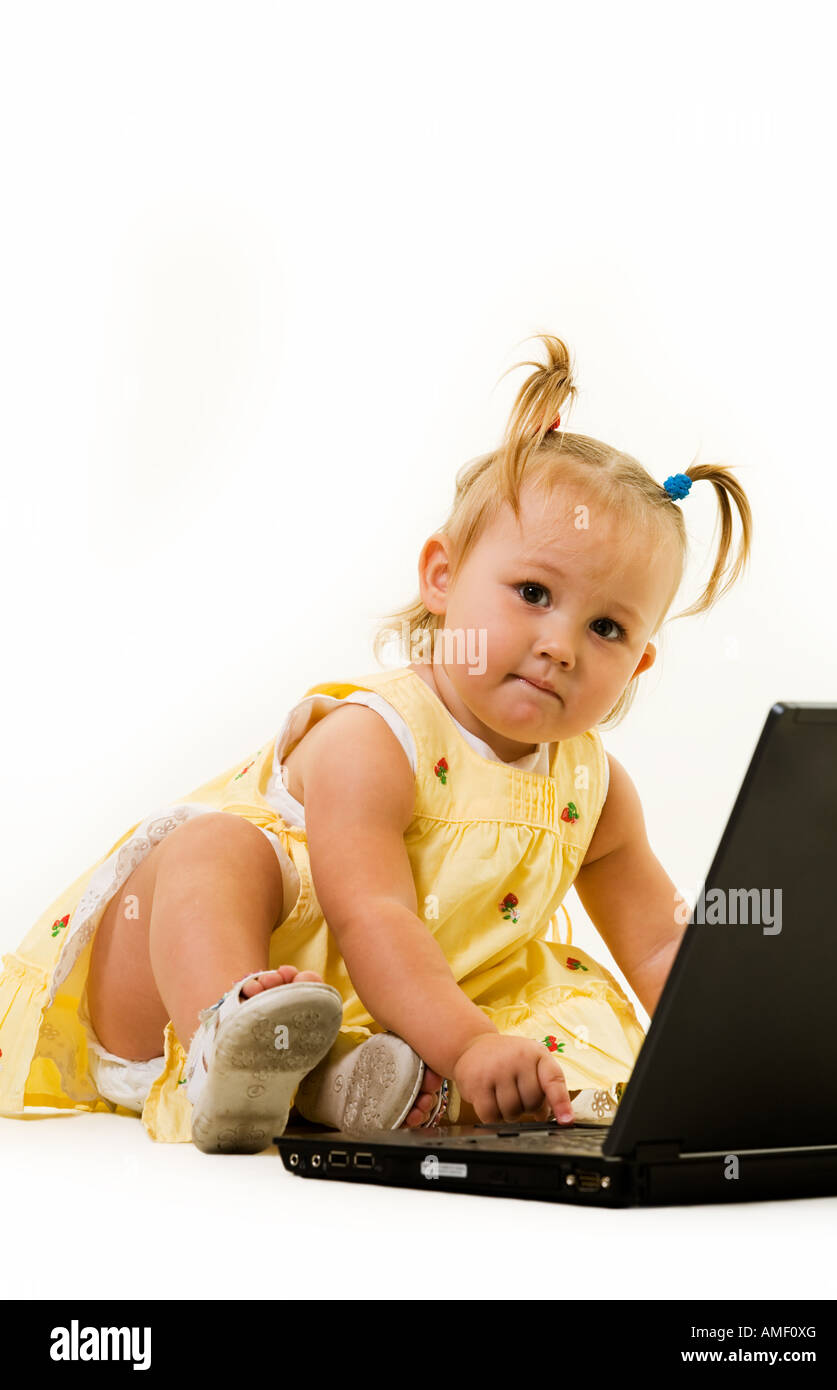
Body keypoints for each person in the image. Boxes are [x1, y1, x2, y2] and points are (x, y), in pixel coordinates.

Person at [0, 332, 753, 1154]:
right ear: (442, 576)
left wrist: (749, 1060)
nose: (560, 645)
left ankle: (333, 1084)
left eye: (606, 628)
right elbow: (375, 918)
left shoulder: (594, 792)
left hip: (395, 1017)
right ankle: (231, 1048)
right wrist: (468, 1045)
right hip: (169, 989)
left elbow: (660, 943)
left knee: (558, 1040)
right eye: (533, 592)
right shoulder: (376, 738)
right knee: (215, 849)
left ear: (639, 662)